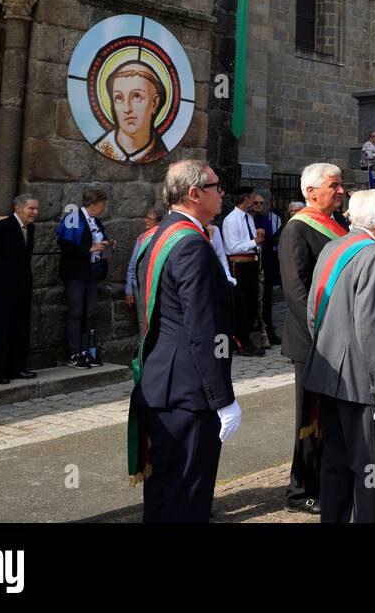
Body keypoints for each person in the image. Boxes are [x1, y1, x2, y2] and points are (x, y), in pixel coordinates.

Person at [128, 160, 241, 522]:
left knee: (163, 492)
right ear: (195, 194)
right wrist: (223, 397)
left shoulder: (158, 235)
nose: (221, 194)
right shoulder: (192, 245)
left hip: (162, 380)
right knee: (187, 497)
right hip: (188, 391)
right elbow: (204, 328)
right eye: (216, 186)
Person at [303, 190, 375, 523]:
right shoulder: (374, 254)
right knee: (370, 464)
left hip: (328, 372)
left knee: (336, 461)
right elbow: (370, 326)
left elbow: (313, 311)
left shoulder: (332, 247)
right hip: (360, 382)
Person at [278, 163, 347, 515]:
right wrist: (323, 335)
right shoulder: (297, 230)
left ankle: (327, 478)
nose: (340, 191)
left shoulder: (338, 225)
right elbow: (296, 291)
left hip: (337, 338)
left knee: (332, 416)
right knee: (311, 416)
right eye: (333, 185)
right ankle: (300, 490)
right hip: (313, 341)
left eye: (340, 185)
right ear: (311, 192)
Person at [0, 193, 40, 385]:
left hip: (22, 288)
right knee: (1, 329)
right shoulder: (2, 227)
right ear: (18, 208)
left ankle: (17, 368)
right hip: (2, 289)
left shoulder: (31, 229)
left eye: (37, 209)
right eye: (31, 208)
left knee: (21, 328)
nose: (35, 212)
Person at [56, 188, 111, 369]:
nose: (104, 207)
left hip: (92, 272)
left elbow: (97, 240)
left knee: (88, 313)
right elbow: (64, 243)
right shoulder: (74, 216)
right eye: (103, 203)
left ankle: (86, 352)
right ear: (95, 204)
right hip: (76, 273)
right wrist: (89, 249)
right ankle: (74, 353)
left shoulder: (96, 221)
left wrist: (107, 244)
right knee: (76, 312)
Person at [221, 186, 265, 357]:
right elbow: (232, 248)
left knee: (252, 304)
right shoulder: (232, 220)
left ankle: (246, 338)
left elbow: (251, 240)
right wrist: (255, 242)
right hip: (238, 265)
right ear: (246, 198)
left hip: (251, 264)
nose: (253, 200)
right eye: (252, 197)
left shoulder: (248, 217)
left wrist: (256, 242)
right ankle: (240, 341)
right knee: (241, 305)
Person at [125, 206, 166, 329]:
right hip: (139, 285)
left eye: (149, 218)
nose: (145, 221)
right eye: (146, 217)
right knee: (143, 321)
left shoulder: (164, 238)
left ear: (157, 221)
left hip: (158, 286)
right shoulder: (142, 238)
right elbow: (133, 264)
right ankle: (145, 348)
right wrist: (129, 289)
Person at [252, 192, 283, 346]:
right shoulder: (248, 220)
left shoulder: (266, 220)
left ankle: (268, 330)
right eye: (256, 202)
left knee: (267, 299)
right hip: (254, 262)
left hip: (267, 262)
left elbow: (269, 240)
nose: (258, 205)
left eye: (261, 203)